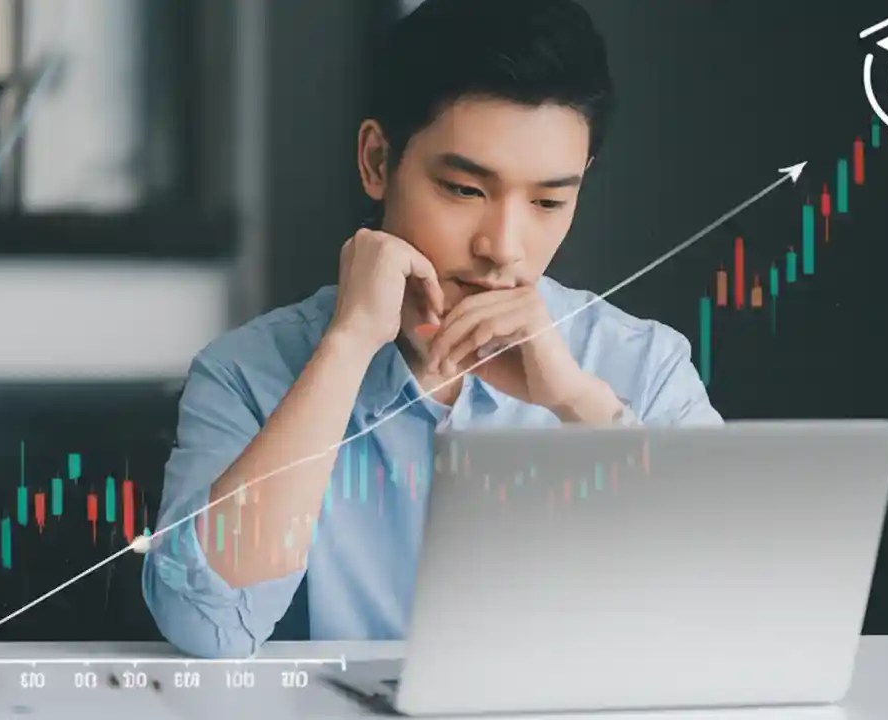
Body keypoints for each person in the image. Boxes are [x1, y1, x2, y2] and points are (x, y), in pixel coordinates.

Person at [142, 0, 722, 659]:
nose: (503, 246)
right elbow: (204, 624)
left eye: (548, 202)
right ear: (376, 161)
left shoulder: (640, 367)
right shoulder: (247, 371)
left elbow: (731, 613)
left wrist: (576, 403)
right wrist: (347, 346)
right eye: (465, 190)